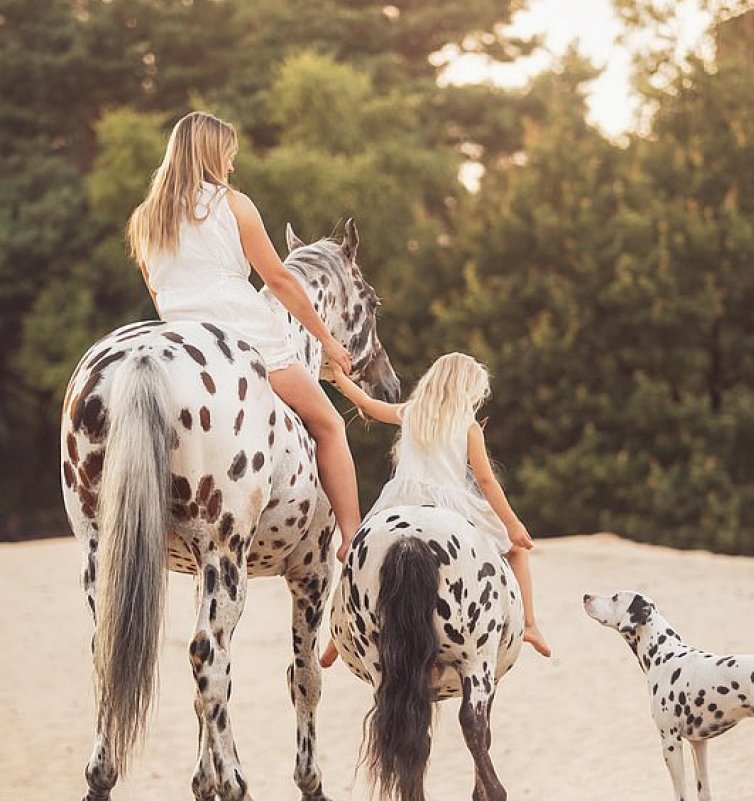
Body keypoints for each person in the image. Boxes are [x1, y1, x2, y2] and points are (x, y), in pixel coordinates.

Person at [127, 111, 360, 559]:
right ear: (214, 154)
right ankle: (351, 536)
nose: (231, 165)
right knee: (329, 424)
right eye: (229, 155)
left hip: (179, 338)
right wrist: (326, 341)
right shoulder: (232, 205)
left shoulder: (144, 218)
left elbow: (158, 293)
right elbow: (278, 279)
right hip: (243, 332)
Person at [320, 352, 552, 667]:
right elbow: (484, 479)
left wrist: (339, 378)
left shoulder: (412, 413)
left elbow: (366, 403)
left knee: (356, 556)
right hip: (451, 503)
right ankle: (529, 626)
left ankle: (342, 627)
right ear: (467, 390)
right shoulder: (469, 427)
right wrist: (512, 523)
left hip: (401, 499)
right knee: (516, 551)